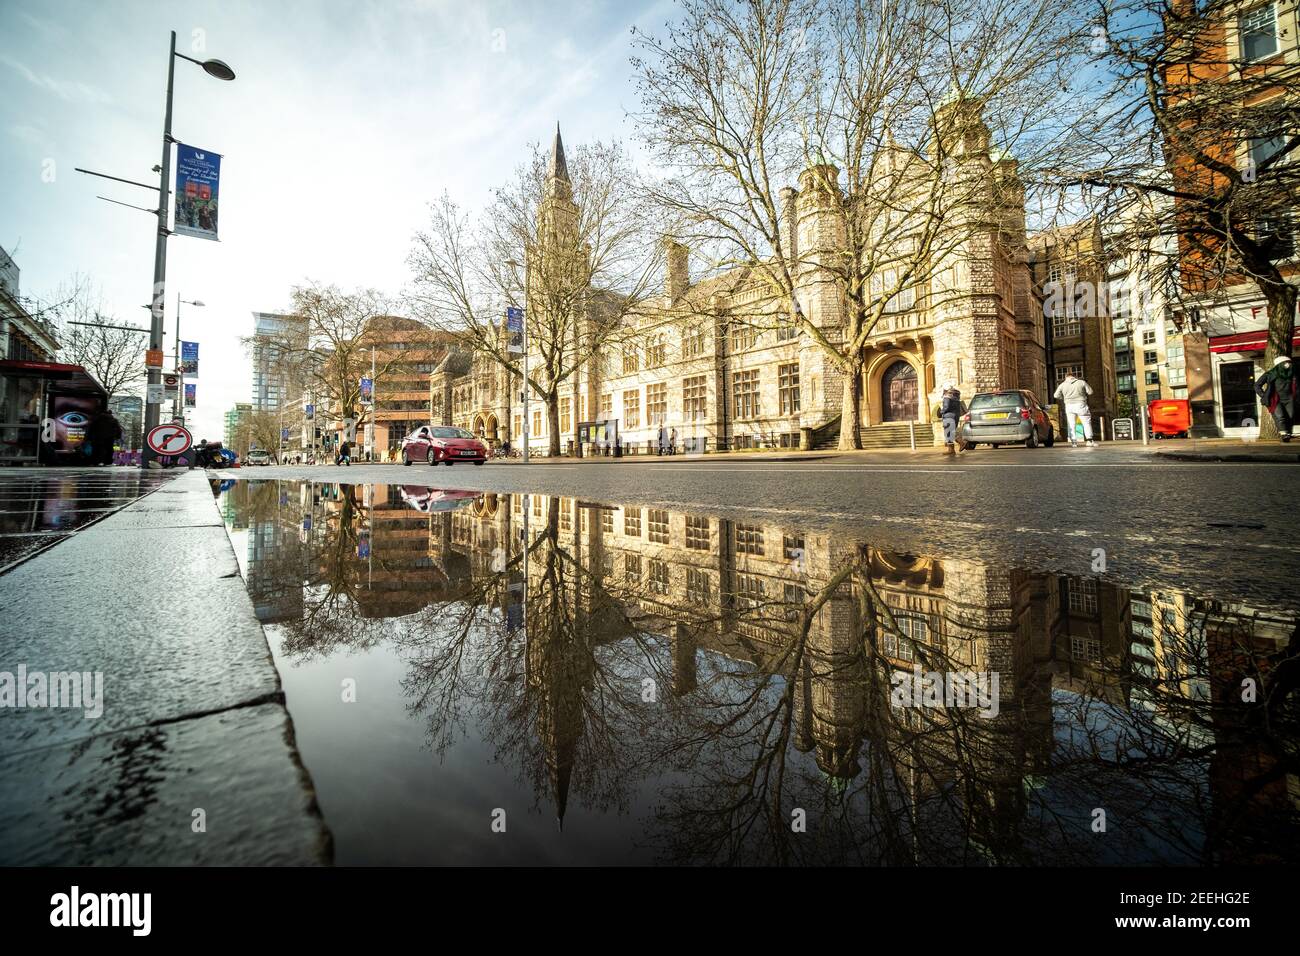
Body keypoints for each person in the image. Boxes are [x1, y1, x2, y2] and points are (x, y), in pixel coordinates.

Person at [1255, 355, 1298, 442]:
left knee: (1291, 416)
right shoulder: (1270, 374)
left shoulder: (1294, 373)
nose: (1288, 365)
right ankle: (1284, 435)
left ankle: (1288, 433)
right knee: (1280, 416)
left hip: (1290, 398)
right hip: (1275, 399)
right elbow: (1257, 385)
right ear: (1279, 365)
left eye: (1289, 362)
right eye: (1286, 363)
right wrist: (1264, 396)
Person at [1054, 371, 1096, 447]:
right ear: (1074, 376)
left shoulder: (1062, 385)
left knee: (1071, 423)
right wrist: (1083, 394)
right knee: (1086, 422)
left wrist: (1064, 398)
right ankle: (1089, 440)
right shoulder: (1081, 382)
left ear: (1066, 377)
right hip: (1081, 404)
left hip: (1069, 405)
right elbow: (1090, 392)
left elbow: (1056, 395)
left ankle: (1074, 442)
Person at [939, 382, 964, 456]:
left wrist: (941, 412)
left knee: (949, 432)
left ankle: (961, 443)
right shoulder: (956, 397)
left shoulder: (947, 397)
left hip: (948, 416)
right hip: (955, 416)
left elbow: (946, 407)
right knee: (951, 432)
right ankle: (951, 450)